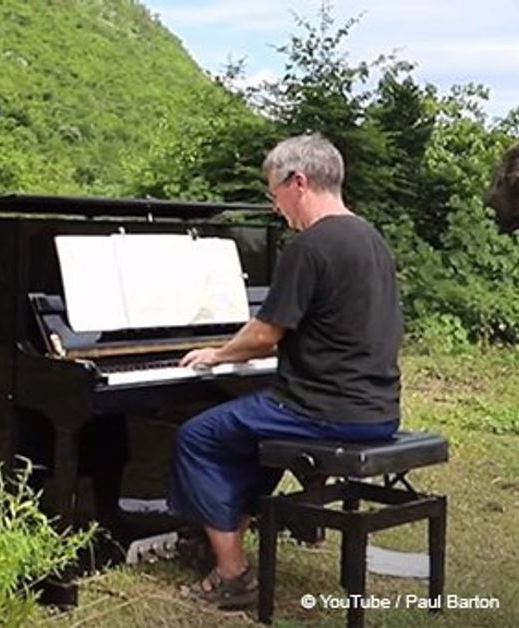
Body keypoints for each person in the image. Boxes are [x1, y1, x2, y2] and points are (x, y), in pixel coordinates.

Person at [167, 134, 403, 610]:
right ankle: (219, 531)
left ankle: (232, 574)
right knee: (249, 436)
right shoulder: (370, 237)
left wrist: (216, 354)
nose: (275, 207)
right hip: (378, 410)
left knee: (196, 436)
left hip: (323, 410)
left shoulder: (311, 245)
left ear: (298, 181)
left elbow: (263, 335)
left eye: (274, 193)